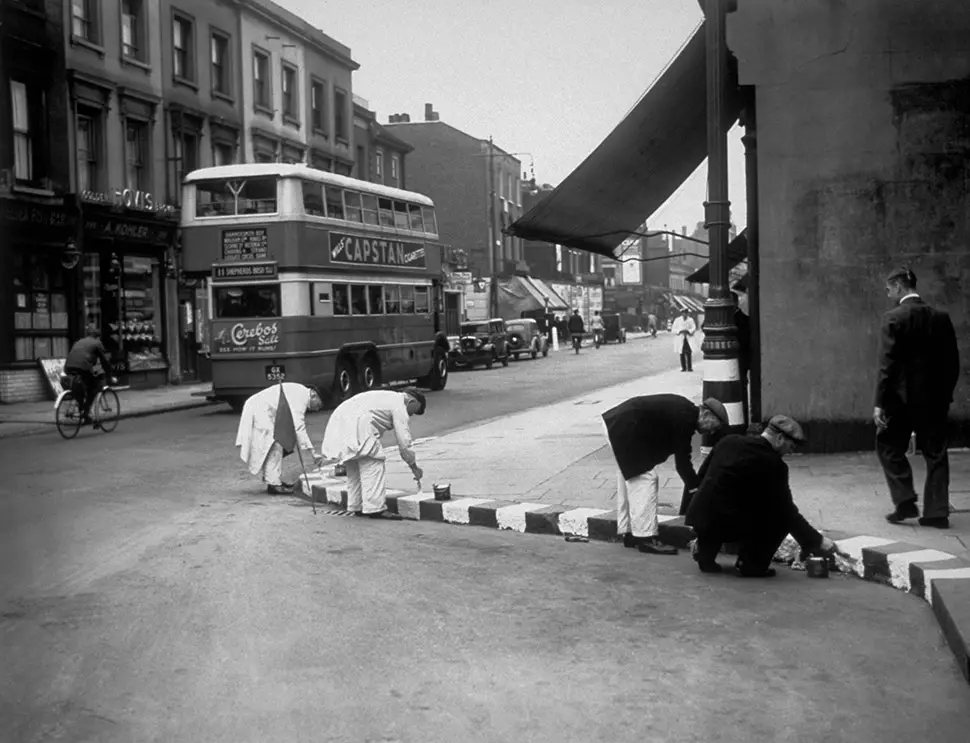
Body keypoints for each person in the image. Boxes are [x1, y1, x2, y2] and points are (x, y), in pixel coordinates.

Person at [686, 415, 843, 576]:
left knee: (719, 500)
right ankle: (751, 564)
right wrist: (816, 541)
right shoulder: (774, 464)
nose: (789, 452)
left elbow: (702, 475)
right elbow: (787, 512)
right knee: (777, 517)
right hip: (727, 524)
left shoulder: (728, 441)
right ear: (780, 438)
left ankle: (706, 556)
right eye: (791, 446)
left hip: (700, 518)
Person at [875, 267, 960, 529]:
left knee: (888, 445)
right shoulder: (940, 318)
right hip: (934, 401)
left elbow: (887, 366)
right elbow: (952, 364)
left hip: (900, 401)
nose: (888, 294)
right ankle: (936, 513)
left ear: (899, 287)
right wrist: (944, 396)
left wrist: (880, 402)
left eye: (889, 289)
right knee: (936, 453)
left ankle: (905, 501)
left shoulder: (893, 318)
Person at [602, 394, 729, 555]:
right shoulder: (686, 418)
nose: (711, 431)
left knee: (629, 476)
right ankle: (645, 538)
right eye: (714, 426)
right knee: (646, 478)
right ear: (706, 414)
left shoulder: (686, 412)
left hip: (618, 424)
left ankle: (627, 532)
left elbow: (681, 455)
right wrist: (696, 489)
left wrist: (693, 486)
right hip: (624, 427)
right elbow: (682, 463)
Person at [321, 388, 426, 520]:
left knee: (354, 465)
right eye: (414, 412)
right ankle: (375, 508)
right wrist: (414, 466)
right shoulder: (399, 405)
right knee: (374, 463)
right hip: (357, 424)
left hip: (341, 420)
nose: (411, 416)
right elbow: (404, 441)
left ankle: (356, 505)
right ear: (412, 401)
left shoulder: (387, 397)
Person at [236, 383, 324, 494]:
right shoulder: (301, 398)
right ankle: (274, 484)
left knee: (279, 444)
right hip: (260, 409)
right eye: (318, 405)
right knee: (275, 444)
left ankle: (272, 479)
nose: (317, 409)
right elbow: (299, 427)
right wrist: (313, 453)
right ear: (314, 395)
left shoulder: (301, 392)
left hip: (265, 410)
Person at [64, 328, 115, 425]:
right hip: (83, 367)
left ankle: (82, 407)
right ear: (98, 337)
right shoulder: (97, 343)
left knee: (82, 386)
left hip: (68, 367)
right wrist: (109, 375)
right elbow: (105, 361)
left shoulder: (79, 341)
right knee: (95, 387)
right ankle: (85, 412)